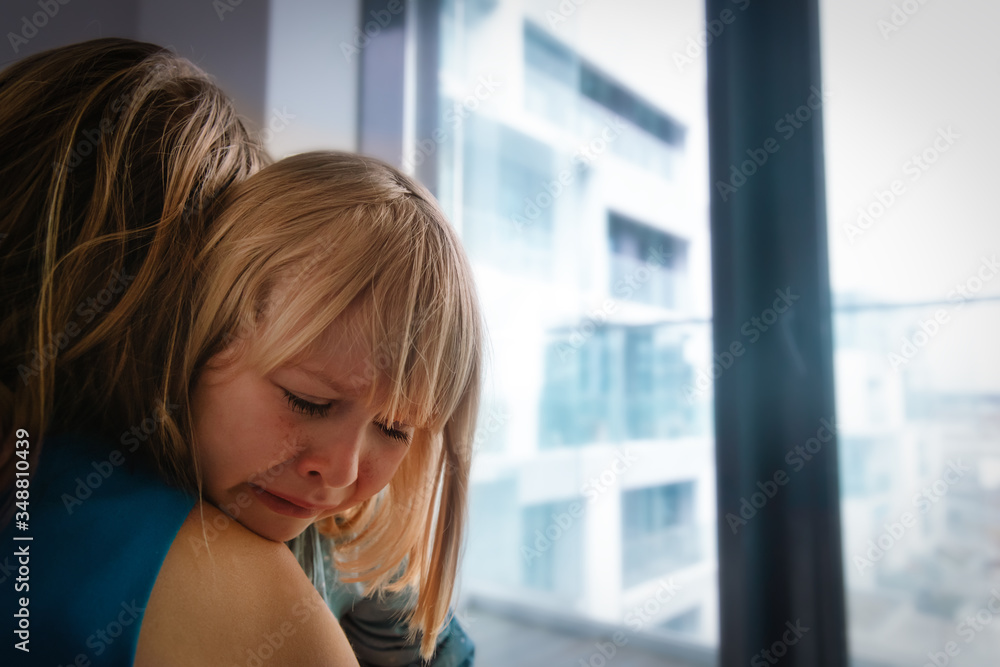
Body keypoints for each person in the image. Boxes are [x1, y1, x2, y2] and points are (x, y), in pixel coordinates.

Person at [0, 39, 482, 666]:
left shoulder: (348, 542)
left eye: (395, 428)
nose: (340, 472)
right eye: (308, 401)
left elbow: (435, 648)